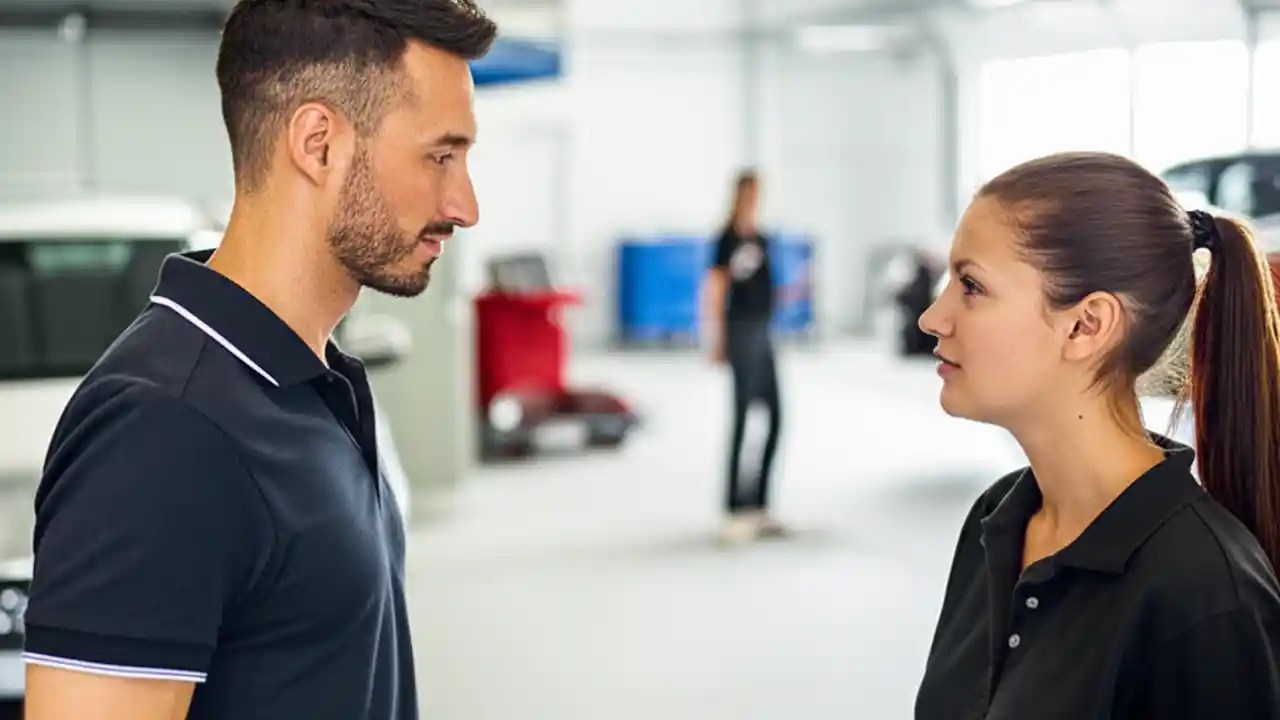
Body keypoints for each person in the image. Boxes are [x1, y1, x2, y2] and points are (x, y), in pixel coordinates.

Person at [21, 2, 494, 719]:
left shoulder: (312, 385)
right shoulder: (166, 430)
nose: (464, 204)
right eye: (440, 156)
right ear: (318, 144)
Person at [914, 152, 1280, 718]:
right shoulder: (997, 519)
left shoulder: (1206, 593)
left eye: (971, 286)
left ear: (1087, 325)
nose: (931, 318)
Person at [704, 170, 788, 544]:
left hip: (764, 332)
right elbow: (716, 287)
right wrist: (717, 337)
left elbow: (768, 288)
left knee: (776, 416)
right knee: (741, 416)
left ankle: (760, 502)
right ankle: (733, 507)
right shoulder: (726, 239)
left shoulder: (762, 239)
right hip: (739, 332)